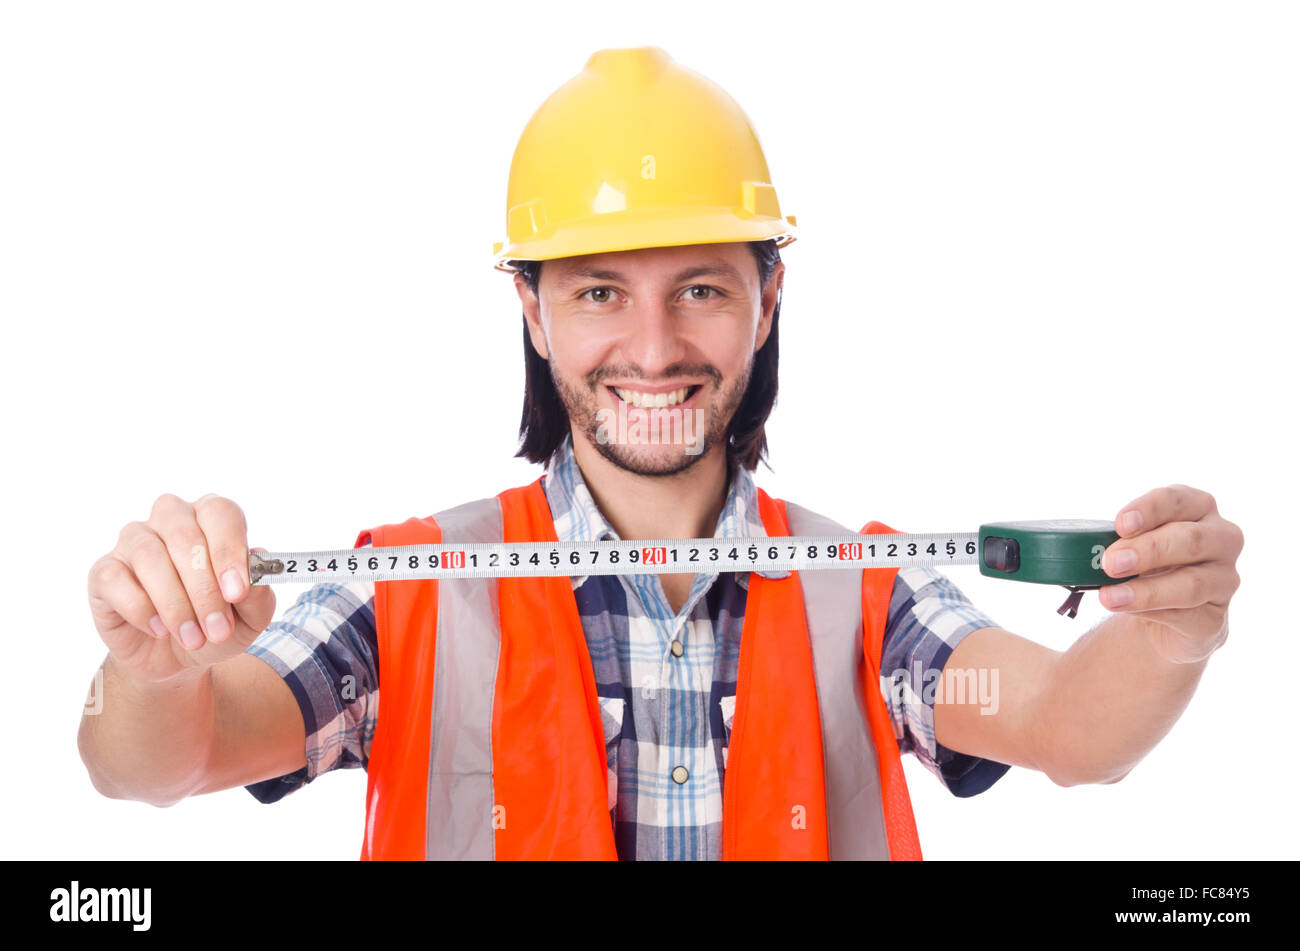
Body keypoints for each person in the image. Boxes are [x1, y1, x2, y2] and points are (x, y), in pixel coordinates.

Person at [79, 46, 1244, 861]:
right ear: (533, 314)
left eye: (699, 288)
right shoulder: (408, 592)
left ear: (766, 299)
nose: (650, 348)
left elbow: (1066, 729)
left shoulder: (866, 595)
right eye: (597, 292)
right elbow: (159, 765)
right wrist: (157, 660)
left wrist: (1166, 632)